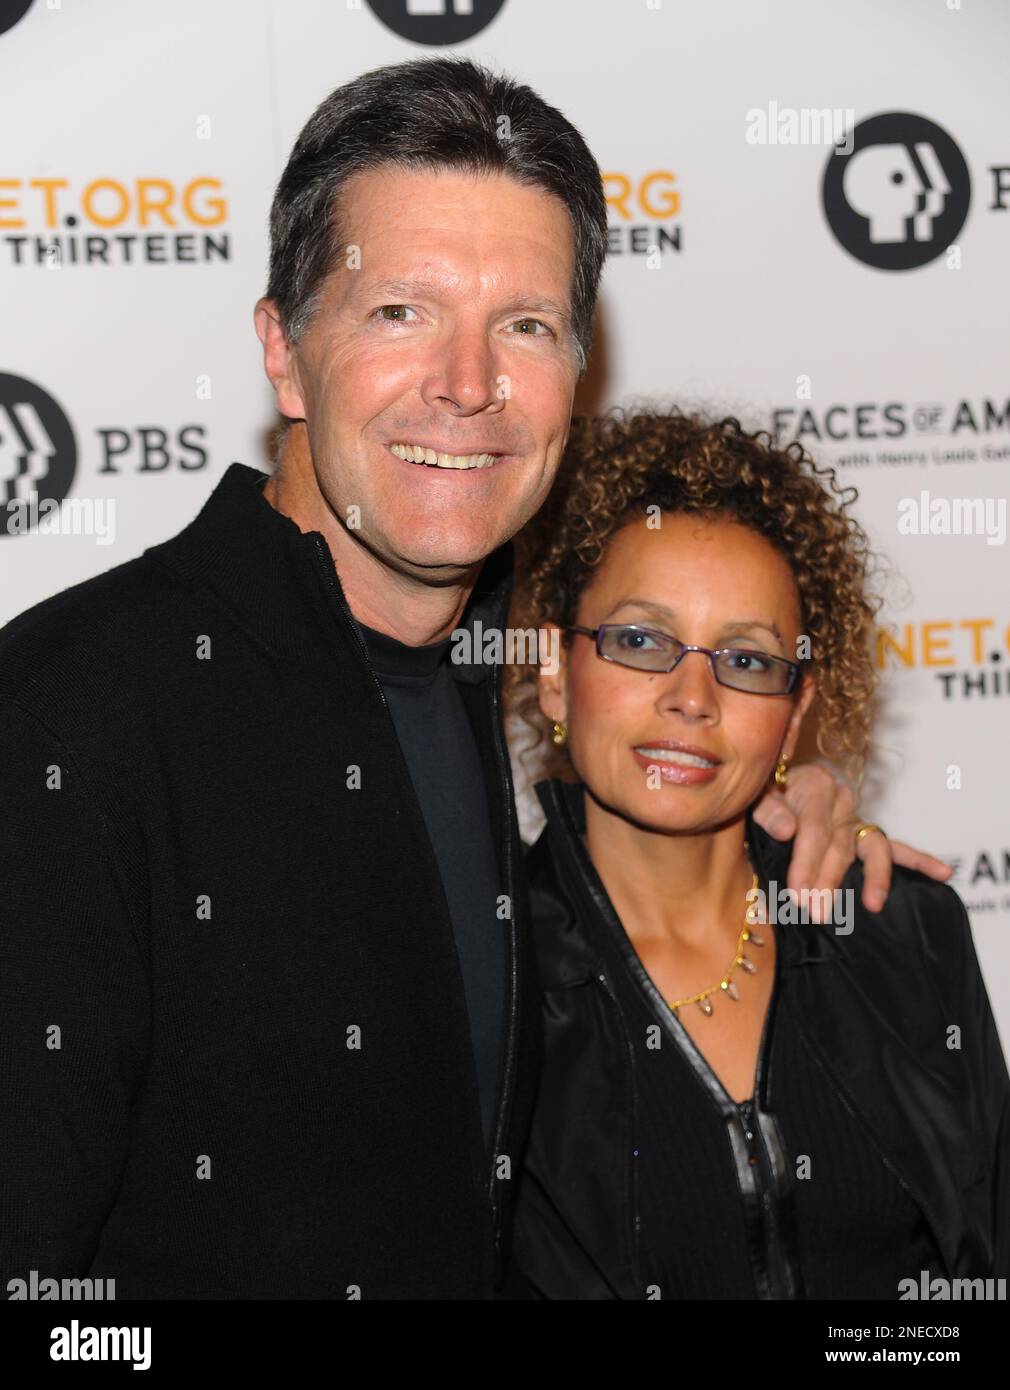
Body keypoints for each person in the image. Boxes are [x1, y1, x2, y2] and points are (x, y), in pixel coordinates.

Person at [0, 59, 950, 1301]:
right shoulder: (72, 709)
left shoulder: (485, 684)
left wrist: (774, 808)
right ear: (284, 353)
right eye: (398, 310)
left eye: (524, 325)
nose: (466, 382)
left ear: (576, 373)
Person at [506, 409, 1009, 1299]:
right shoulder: (489, 981)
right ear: (555, 666)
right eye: (639, 641)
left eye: (745, 659)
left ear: (794, 710)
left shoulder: (902, 936)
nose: (692, 696)